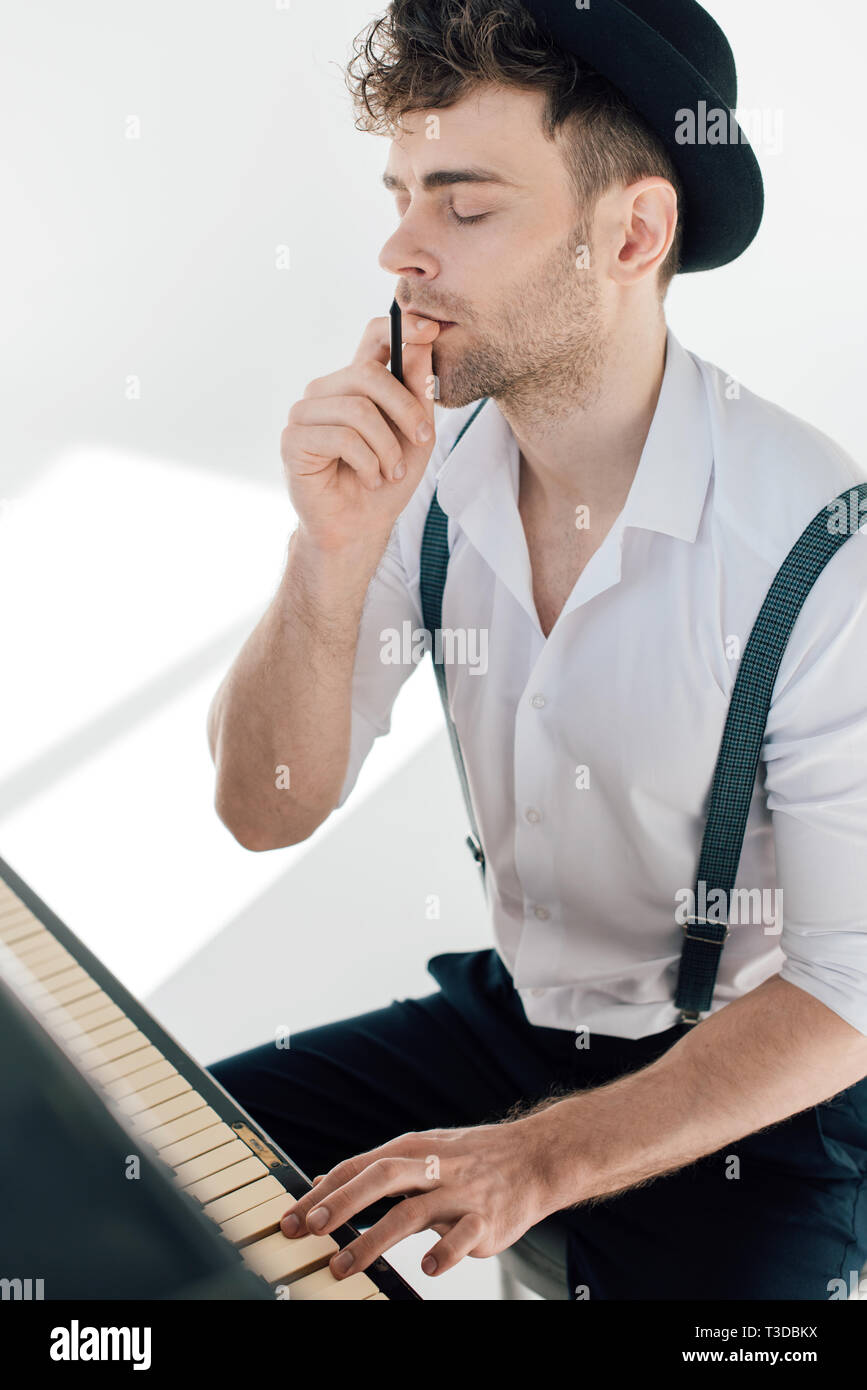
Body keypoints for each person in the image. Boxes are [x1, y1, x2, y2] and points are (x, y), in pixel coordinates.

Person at [205, 0, 867, 1299]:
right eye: (400, 195)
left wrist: (536, 1163)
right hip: (514, 1024)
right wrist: (330, 552)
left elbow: (850, 994)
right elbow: (262, 809)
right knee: (161, 1173)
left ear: (629, 232)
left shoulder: (815, 539)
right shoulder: (426, 470)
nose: (400, 249)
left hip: (760, 1098)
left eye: (464, 205)